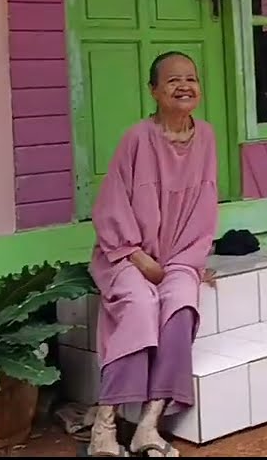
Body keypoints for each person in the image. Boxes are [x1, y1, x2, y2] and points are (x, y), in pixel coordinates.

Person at [87, 51, 219, 458]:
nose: (184, 87)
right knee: (140, 305)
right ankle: (104, 428)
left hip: (180, 253)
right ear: (154, 91)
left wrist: (187, 264)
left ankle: (149, 424)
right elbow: (111, 203)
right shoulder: (137, 137)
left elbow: (203, 206)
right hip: (125, 253)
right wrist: (134, 254)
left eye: (191, 79)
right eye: (173, 80)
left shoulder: (208, 136)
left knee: (180, 304)